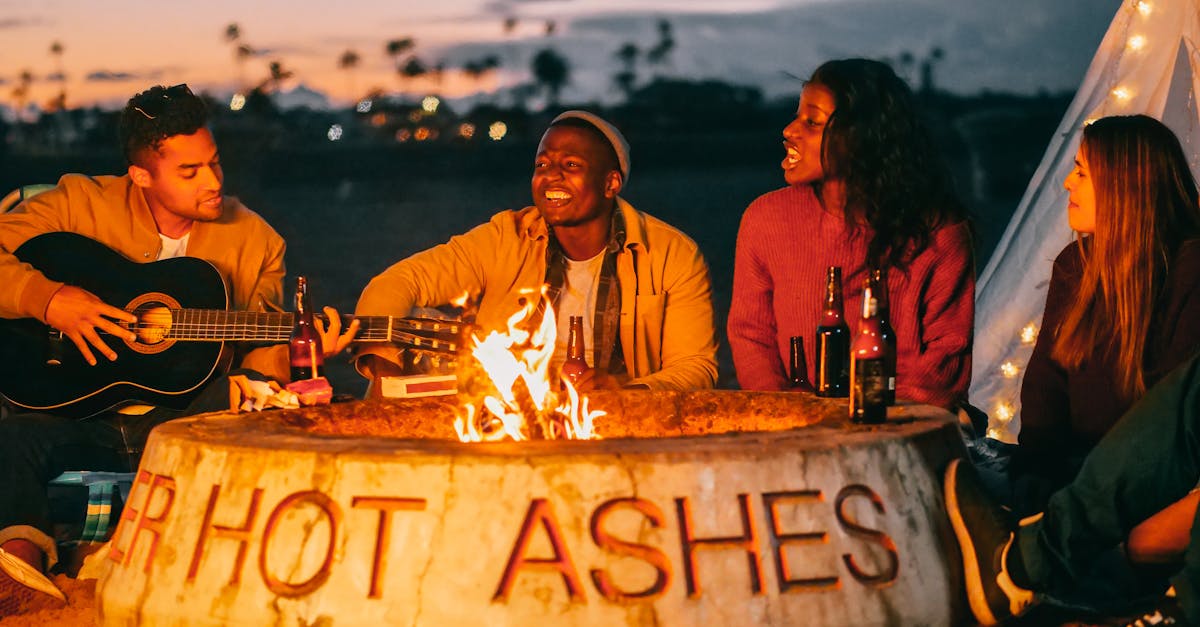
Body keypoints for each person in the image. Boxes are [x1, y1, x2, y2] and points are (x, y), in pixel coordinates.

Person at [0, 84, 352, 616]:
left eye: (214, 163)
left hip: (181, 418)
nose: (213, 182)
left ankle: (166, 561)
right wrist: (48, 300)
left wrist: (297, 354)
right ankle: (21, 565)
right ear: (141, 175)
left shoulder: (258, 241)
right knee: (13, 436)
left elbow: (256, 355)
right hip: (69, 410)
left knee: (248, 418)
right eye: (189, 172)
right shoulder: (76, 204)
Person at [354, 110, 717, 392]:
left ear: (611, 183)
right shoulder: (508, 236)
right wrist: (386, 374)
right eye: (542, 165)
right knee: (421, 323)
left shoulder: (672, 253)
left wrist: (627, 390)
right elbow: (400, 282)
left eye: (571, 165)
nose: (551, 176)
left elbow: (695, 367)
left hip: (615, 419)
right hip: (510, 413)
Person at [727, 58, 974, 409]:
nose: (789, 130)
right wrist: (785, 412)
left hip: (903, 430)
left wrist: (859, 423)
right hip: (794, 430)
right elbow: (752, 336)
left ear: (863, 137)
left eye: (812, 122)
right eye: (797, 116)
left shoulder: (938, 234)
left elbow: (944, 364)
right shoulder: (766, 219)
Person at [1012, 114, 1200, 515]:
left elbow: (1171, 416)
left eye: (1081, 172)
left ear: (1123, 183)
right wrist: (1036, 468)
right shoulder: (1075, 265)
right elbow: (1047, 380)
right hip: (1073, 476)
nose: (1067, 184)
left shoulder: (1189, 272)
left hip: (1151, 489)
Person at [944, 352, 1200, 627]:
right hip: (1064, 487)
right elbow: (1043, 405)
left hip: (1135, 534)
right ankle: (1021, 565)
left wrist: (1125, 557)